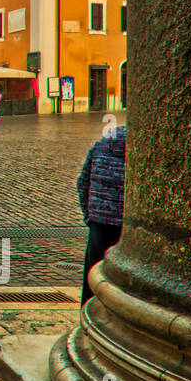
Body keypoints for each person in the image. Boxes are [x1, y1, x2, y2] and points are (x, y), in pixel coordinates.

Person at [77, 125, 126, 304]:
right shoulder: (142, 149)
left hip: (100, 223)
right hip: (126, 226)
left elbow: (82, 182)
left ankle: (88, 318)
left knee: (92, 278)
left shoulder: (101, 145)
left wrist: (89, 216)